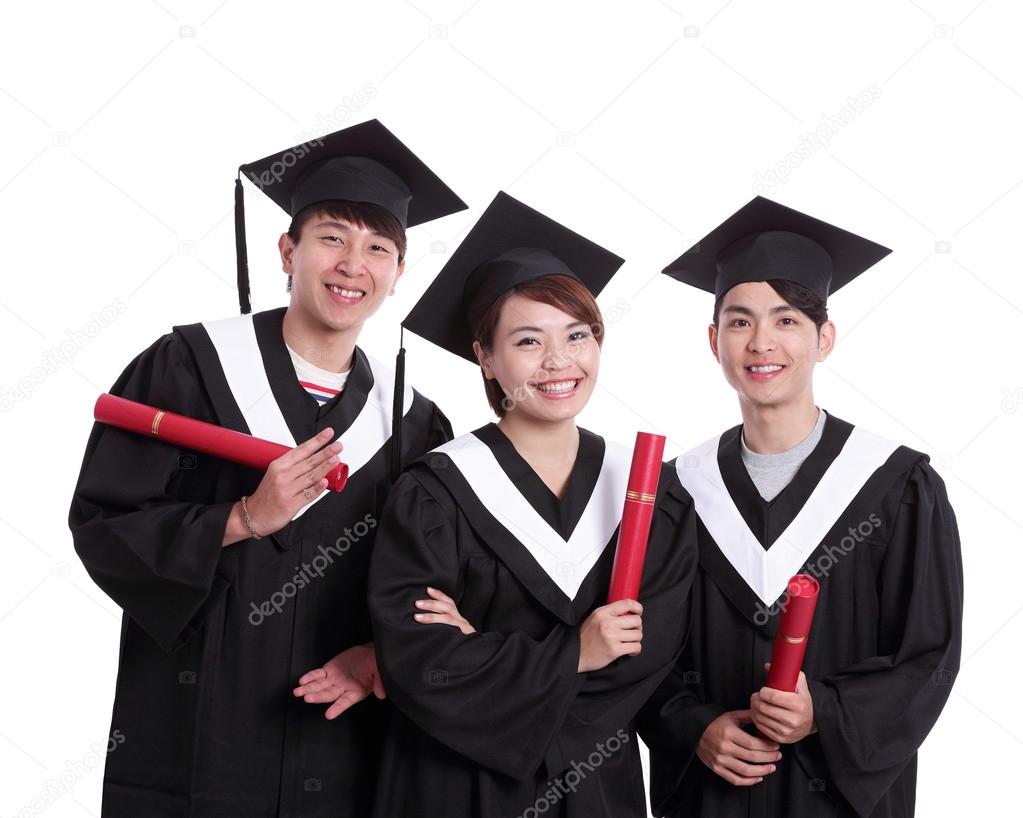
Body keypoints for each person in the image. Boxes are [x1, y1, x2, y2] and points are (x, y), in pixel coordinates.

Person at [68, 119, 466, 817]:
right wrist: (242, 518)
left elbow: (437, 580)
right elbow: (102, 528)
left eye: (378, 248)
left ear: (398, 274)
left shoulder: (413, 424)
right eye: (331, 238)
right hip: (195, 726)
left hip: (343, 738)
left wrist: (384, 652)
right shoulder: (185, 367)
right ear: (288, 250)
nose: (352, 264)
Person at [367, 191, 698, 817]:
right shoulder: (434, 491)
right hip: (454, 788)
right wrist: (576, 652)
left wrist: (487, 651)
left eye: (578, 335)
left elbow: (650, 656)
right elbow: (418, 661)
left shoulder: (648, 491)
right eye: (527, 341)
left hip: (596, 785)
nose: (559, 362)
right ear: (485, 358)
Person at [639, 196, 964, 817]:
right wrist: (693, 726)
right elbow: (646, 653)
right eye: (739, 321)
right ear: (714, 341)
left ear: (825, 338)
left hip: (838, 801)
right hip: (715, 796)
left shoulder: (896, 485)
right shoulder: (679, 491)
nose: (762, 342)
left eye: (786, 320)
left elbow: (929, 654)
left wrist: (828, 714)